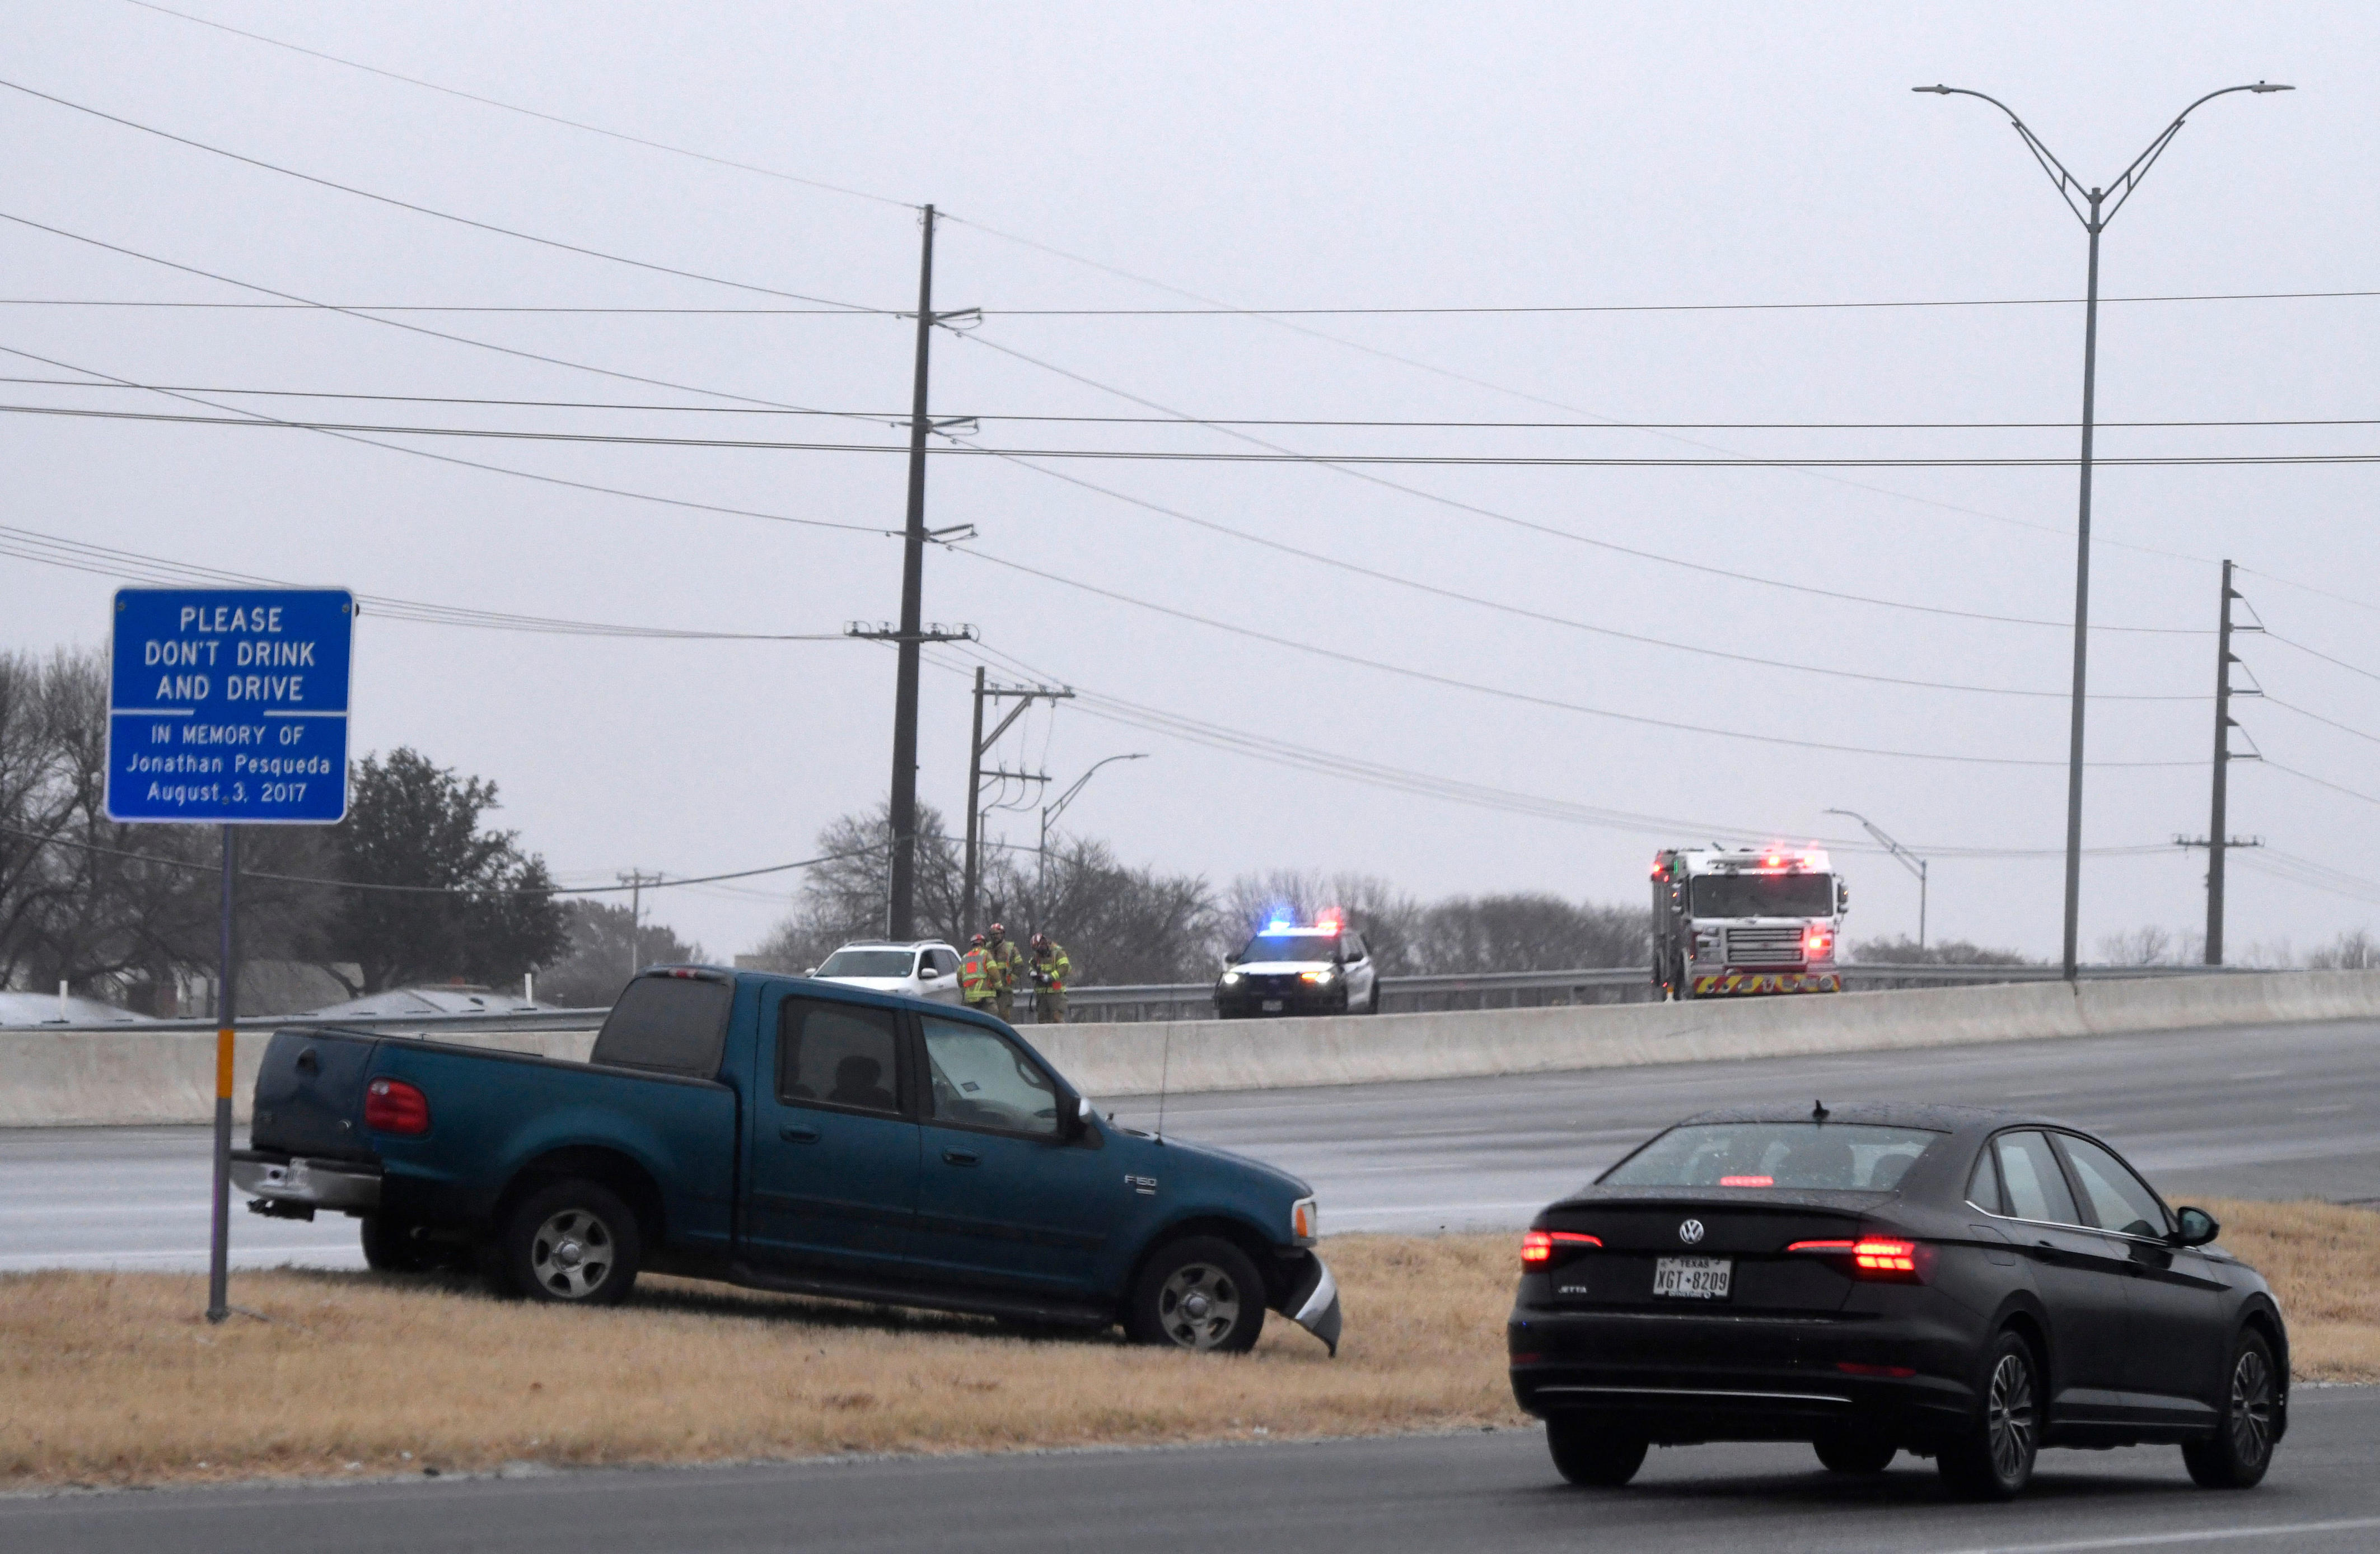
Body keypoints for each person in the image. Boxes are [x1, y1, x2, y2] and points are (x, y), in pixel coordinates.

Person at [1028, 932, 1072, 1024]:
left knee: (1057, 1019)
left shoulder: (1058, 953)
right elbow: (1031, 966)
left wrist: (1050, 977)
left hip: (1056, 994)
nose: (1038, 952)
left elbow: (1064, 967)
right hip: (1042, 995)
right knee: (1043, 1021)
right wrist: (1032, 973)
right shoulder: (1037, 956)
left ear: (1044, 943)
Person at [986, 921, 1025, 1022]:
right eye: (993, 935)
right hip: (990, 990)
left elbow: (1019, 965)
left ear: (1002, 934)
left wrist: (1011, 980)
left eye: (997, 934)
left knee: (1004, 1016)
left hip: (1005, 991)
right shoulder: (986, 949)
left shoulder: (1011, 949)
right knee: (990, 1017)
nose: (995, 937)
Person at [959, 934, 998, 1011]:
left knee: (971, 1022)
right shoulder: (986, 955)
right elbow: (994, 973)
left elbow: (959, 978)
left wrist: (964, 990)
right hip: (986, 997)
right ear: (983, 943)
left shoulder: (965, 958)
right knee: (992, 1019)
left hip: (969, 999)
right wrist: (998, 987)